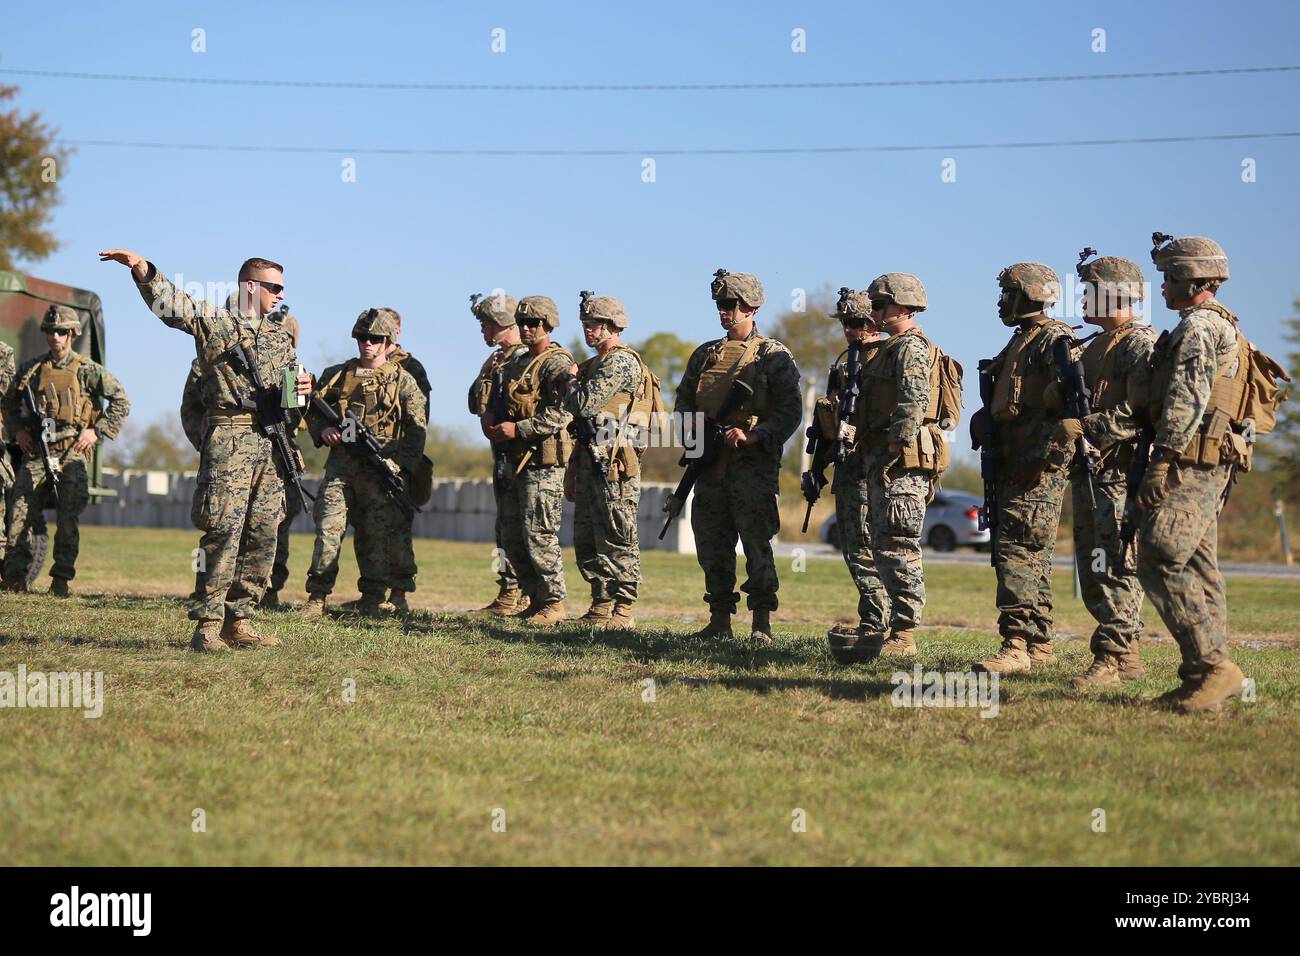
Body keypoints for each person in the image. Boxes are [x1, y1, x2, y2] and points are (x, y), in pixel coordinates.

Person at [100, 248, 311, 651]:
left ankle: (241, 620)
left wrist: (302, 390)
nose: (280, 295)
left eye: (283, 288)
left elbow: (289, 398)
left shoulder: (280, 336)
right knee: (223, 532)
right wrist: (143, 270)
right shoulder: (215, 322)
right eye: (274, 287)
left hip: (270, 443)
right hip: (229, 440)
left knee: (263, 534)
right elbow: (173, 306)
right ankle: (208, 626)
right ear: (251, 287)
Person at [1135, 235, 1266, 712]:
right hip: (1209, 457)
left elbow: (1187, 397)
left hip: (1191, 458)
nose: (1162, 288)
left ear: (1188, 279)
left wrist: (1162, 459)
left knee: (1158, 554)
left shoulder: (1198, 328)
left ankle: (1214, 667)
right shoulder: (1221, 325)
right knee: (1197, 563)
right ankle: (1201, 677)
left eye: (1167, 278)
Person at [673, 269, 802, 642]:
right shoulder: (705, 354)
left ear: (753, 307)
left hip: (752, 468)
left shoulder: (773, 355)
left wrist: (754, 435)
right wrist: (694, 432)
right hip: (710, 465)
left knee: (756, 543)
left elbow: (791, 411)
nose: (724, 311)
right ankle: (719, 620)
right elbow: (684, 400)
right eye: (720, 304)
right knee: (711, 543)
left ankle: (761, 622)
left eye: (731, 304)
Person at [1051, 252, 1154, 690]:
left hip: (1119, 471)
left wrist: (1088, 426)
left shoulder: (1139, 343)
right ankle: (1127, 656)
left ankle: (1110, 659)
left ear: (1113, 294)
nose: (1082, 299)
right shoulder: (1092, 345)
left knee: (1118, 567)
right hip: (1089, 471)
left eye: (1089, 291)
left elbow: (1140, 411)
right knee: (1093, 569)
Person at [972, 263, 1075, 673]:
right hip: (1013, 461)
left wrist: (1046, 458)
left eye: (1008, 294)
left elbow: (1072, 411)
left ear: (1029, 296)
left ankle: (1015, 645)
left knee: (1018, 552)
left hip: (1035, 467)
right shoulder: (1022, 341)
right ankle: (1039, 644)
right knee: (1031, 556)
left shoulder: (1055, 342)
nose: (1001, 302)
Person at [302, 308, 428, 616]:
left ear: (388, 342)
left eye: (374, 339)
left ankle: (373, 597)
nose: (367, 344)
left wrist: (399, 466)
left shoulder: (404, 381)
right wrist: (324, 429)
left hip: (380, 469)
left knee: (375, 534)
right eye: (362, 338)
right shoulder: (337, 374)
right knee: (328, 530)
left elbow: (417, 429)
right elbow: (311, 408)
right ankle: (317, 596)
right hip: (342, 467)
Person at [2, 305, 130, 595]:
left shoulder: (87, 370)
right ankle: (14, 577)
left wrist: (95, 431)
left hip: (71, 451)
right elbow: (10, 402)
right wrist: (19, 431)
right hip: (38, 450)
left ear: (72, 334)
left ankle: (60, 580)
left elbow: (121, 401)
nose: (55, 337)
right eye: (50, 331)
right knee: (20, 512)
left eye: (61, 332)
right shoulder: (32, 370)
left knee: (67, 518)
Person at [861, 273, 956, 656]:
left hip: (903, 459)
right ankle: (895, 630)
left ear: (901, 307)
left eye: (880, 305)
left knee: (900, 542)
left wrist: (893, 447)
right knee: (884, 542)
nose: (874, 312)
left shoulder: (911, 348)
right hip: (887, 457)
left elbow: (912, 403)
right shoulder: (890, 347)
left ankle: (904, 634)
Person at [561, 292, 659, 630]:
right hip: (591, 457)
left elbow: (583, 404)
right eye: (586, 325)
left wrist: (571, 380)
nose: (589, 331)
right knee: (587, 534)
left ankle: (623, 610)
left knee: (618, 534)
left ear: (613, 326)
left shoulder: (621, 362)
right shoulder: (593, 365)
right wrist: (572, 468)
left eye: (595, 325)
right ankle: (600, 605)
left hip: (615, 462)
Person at [484, 296, 573, 625]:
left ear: (549, 325)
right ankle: (534, 598)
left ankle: (554, 602)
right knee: (511, 535)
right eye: (522, 323)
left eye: (534, 323)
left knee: (539, 533)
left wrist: (518, 428)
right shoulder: (513, 364)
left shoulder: (557, 362)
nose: (526, 328)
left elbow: (564, 413)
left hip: (542, 463)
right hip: (512, 461)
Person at [816, 289, 890, 662]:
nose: (852, 330)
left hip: (876, 469)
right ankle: (872, 619)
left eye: (860, 322)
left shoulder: (888, 360)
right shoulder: (844, 365)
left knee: (868, 549)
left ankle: (880, 622)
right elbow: (829, 421)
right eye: (847, 323)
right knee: (853, 547)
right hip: (847, 468)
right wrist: (817, 467)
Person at [468, 293, 528, 615]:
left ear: (501, 324)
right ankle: (508, 591)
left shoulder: (527, 359)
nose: (483, 332)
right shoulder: (495, 361)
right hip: (502, 456)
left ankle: (529, 593)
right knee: (503, 528)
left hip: (527, 458)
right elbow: (478, 401)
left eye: (486, 324)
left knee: (527, 529)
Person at [384, 312, 431, 612]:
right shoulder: (356, 367)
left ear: (398, 330)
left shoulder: (411, 369)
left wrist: (405, 463)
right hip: (364, 458)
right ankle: (372, 591)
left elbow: (419, 422)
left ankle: (399, 592)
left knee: (397, 527)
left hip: (398, 458)